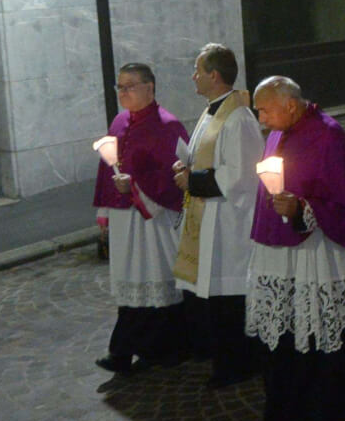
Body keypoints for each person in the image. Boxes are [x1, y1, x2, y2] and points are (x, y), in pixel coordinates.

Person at [246, 76, 345, 421]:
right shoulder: (278, 132)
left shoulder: (327, 136)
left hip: (317, 253)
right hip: (280, 250)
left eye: (265, 109)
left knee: (320, 324)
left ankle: (319, 407)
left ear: (291, 106)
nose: (261, 118)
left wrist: (302, 208)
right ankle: (285, 403)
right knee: (287, 325)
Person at [171, 43, 264, 388]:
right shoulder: (213, 111)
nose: (193, 76)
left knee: (229, 300)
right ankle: (220, 356)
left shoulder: (238, 118)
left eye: (198, 70)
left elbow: (240, 175)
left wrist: (191, 179)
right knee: (213, 299)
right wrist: (189, 166)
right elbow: (208, 158)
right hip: (208, 218)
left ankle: (237, 364)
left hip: (229, 224)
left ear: (214, 75)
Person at [93, 62, 191, 375]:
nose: (122, 92)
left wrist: (133, 186)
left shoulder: (167, 125)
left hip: (154, 221)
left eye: (129, 86)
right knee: (132, 285)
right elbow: (107, 172)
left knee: (155, 282)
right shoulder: (120, 122)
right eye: (119, 86)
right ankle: (134, 351)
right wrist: (105, 214)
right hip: (127, 221)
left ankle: (142, 351)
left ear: (150, 88)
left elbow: (173, 177)